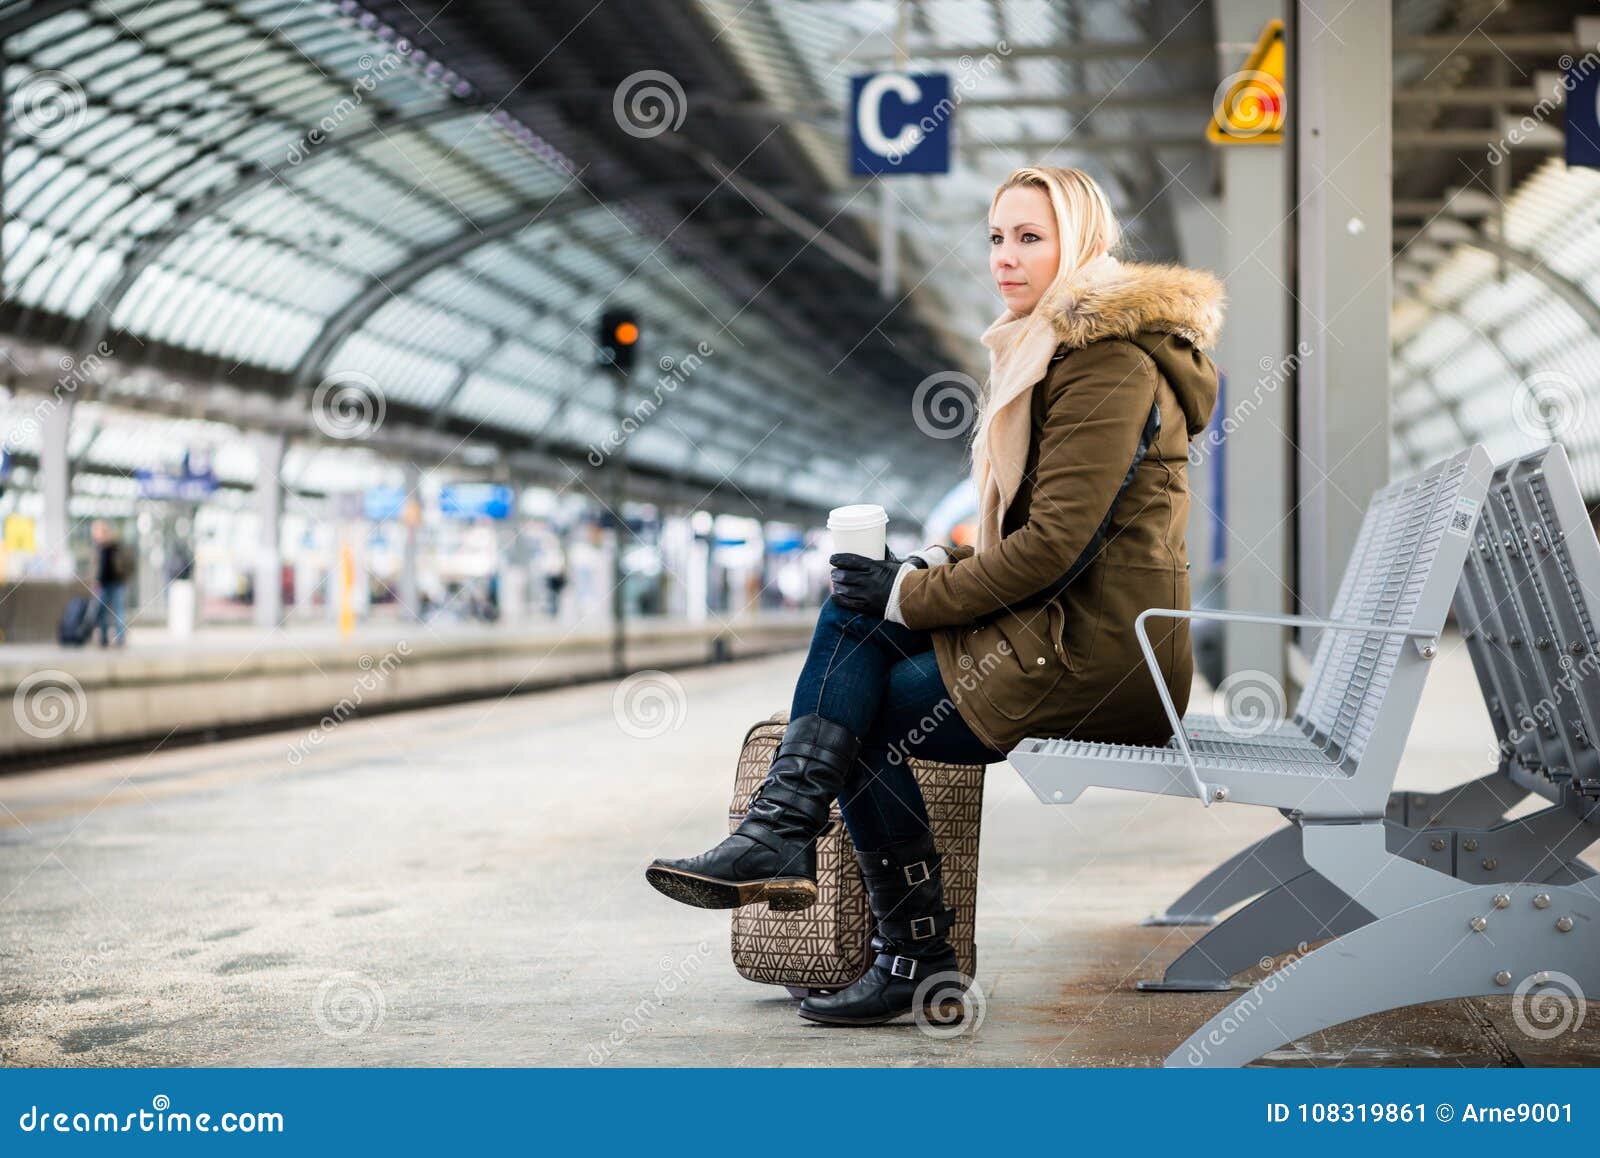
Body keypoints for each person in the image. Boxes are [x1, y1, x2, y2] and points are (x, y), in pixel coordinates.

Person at [646, 166, 1223, 1027]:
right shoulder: (1054, 350)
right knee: (853, 610)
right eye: (996, 237)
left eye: (1031, 237)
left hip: (1098, 655)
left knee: (873, 703)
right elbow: (1038, 550)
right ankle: (791, 835)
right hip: (1059, 630)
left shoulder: (1106, 363)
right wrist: (907, 582)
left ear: (1086, 244)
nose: (1005, 257)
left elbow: (1053, 552)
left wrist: (912, 595)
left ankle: (906, 945)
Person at [90, 520, 130, 648]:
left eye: (97, 532)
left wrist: (123, 576)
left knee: (118, 611)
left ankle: (120, 639)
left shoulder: (114, 546)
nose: (95, 535)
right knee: (101, 612)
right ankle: (103, 638)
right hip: (102, 584)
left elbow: (125, 564)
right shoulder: (98, 548)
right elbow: (96, 567)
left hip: (116, 583)